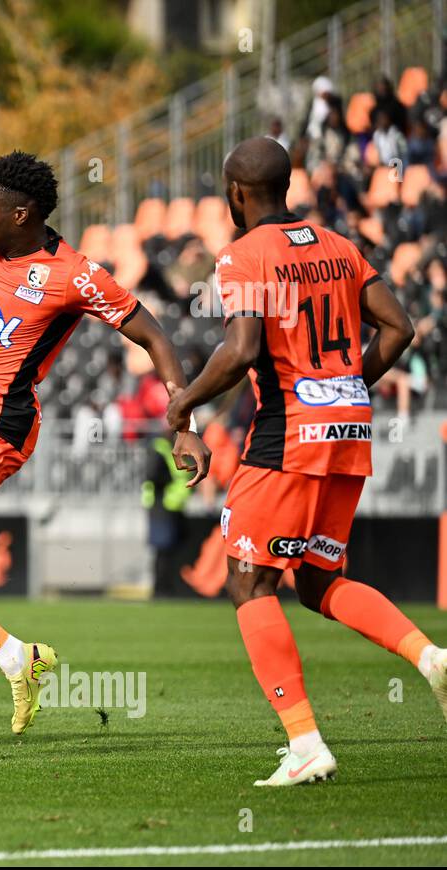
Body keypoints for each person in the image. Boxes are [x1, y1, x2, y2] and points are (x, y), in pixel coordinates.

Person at [0, 153, 211, 761]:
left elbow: (153, 334)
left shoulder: (72, 275)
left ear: (22, 215)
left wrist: (182, 420)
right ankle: (13, 656)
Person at [166, 137, 447, 787]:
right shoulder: (338, 245)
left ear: (236, 196)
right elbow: (400, 329)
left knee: (249, 580)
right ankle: (429, 655)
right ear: (285, 186)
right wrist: (349, 385)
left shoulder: (242, 255)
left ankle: (306, 744)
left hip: (288, 431)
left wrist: (182, 403)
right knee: (317, 581)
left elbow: (239, 352)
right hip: (348, 427)